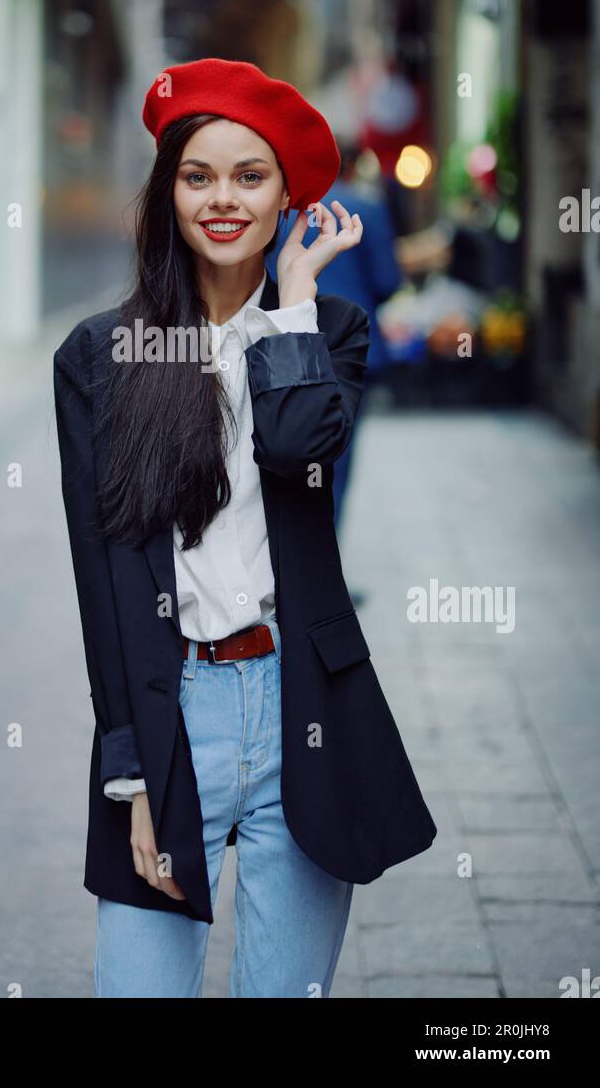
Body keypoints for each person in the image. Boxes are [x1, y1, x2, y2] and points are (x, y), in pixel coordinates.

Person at [53, 58, 437, 999]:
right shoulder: (101, 357)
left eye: (248, 176)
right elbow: (100, 578)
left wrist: (292, 302)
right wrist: (131, 773)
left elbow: (301, 451)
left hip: (302, 702)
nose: (221, 200)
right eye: (197, 176)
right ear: (168, 192)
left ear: (286, 197)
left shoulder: (328, 330)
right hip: (169, 708)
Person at [265, 145, 402, 531]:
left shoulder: (281, 213)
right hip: (348, 351)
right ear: (355, 165)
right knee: (335, 462)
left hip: (282, 346)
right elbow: (387, 280)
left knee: (283, 456)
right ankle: (325, 567)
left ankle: (289, 567)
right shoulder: (366, 208)